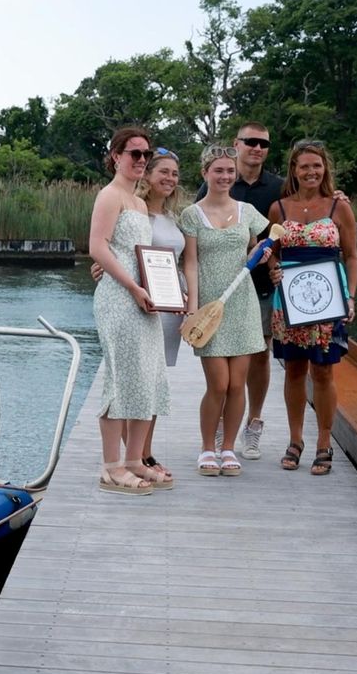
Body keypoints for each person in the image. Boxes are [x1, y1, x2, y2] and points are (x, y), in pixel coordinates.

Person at [90, 147, 188, 484]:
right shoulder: (109, 195)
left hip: (147, 298)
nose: (141, 158)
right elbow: (98, 247)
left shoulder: (140, 204)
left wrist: (171, 291)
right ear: (116, 156)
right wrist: (132, 286)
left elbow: (144, 257)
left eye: (146, 152)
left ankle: (135, 459)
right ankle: (110, 466)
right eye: (135, 152)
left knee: (149, 377)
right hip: (121, 297)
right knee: (119, 378)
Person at [268, 140, 357, 475]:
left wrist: (351, 297)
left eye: (316, 166)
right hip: (289, 301)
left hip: (328, 300)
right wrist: (273, 268)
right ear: (294, 169)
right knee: (293, 370)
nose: (311, 172)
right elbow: (271, 251)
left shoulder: (339, 207)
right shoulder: (279, 208)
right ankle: (295, 440)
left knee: (323, 371)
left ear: (325, 169)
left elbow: (352, 256)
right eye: (304, 166)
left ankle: (324, 442)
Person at [179, 145, 269, 477]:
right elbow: (190, 264)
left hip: (242, 306)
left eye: (230, 171)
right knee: (218, 384)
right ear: (205, 173)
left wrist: (262, 253)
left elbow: (255, 249)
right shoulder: (191, 215)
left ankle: (228, 448)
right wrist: (192, 309)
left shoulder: (249, 212)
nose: (225, 176)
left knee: (236, 385)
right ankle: (207, 447)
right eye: (218, 170)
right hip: (209, 310)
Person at [194, 123, 281, 461]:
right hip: (215, 295)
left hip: (257, 291)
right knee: (220, 379)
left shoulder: (277, 187)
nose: (257, 148)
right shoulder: (207, 190)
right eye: (251, 142)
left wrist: (273, 266)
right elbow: (189, 244)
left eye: (264, 143)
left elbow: (275, 233)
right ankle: (216, 432)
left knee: (258, 358)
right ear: (237, 144)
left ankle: (250, 427)